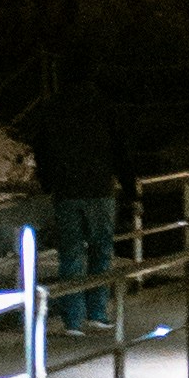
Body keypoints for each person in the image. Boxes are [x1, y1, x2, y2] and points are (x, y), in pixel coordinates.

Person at [27, 54, 122, 346]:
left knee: (70, 254)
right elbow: (118, 146)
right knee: (101, 251)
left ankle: (73, 319)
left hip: (67, 190)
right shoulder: (104, 104)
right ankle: (98, 312)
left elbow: (41, 147)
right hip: (98, 188)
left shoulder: (53, 107)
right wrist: (128, 186)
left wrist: (47, 179)